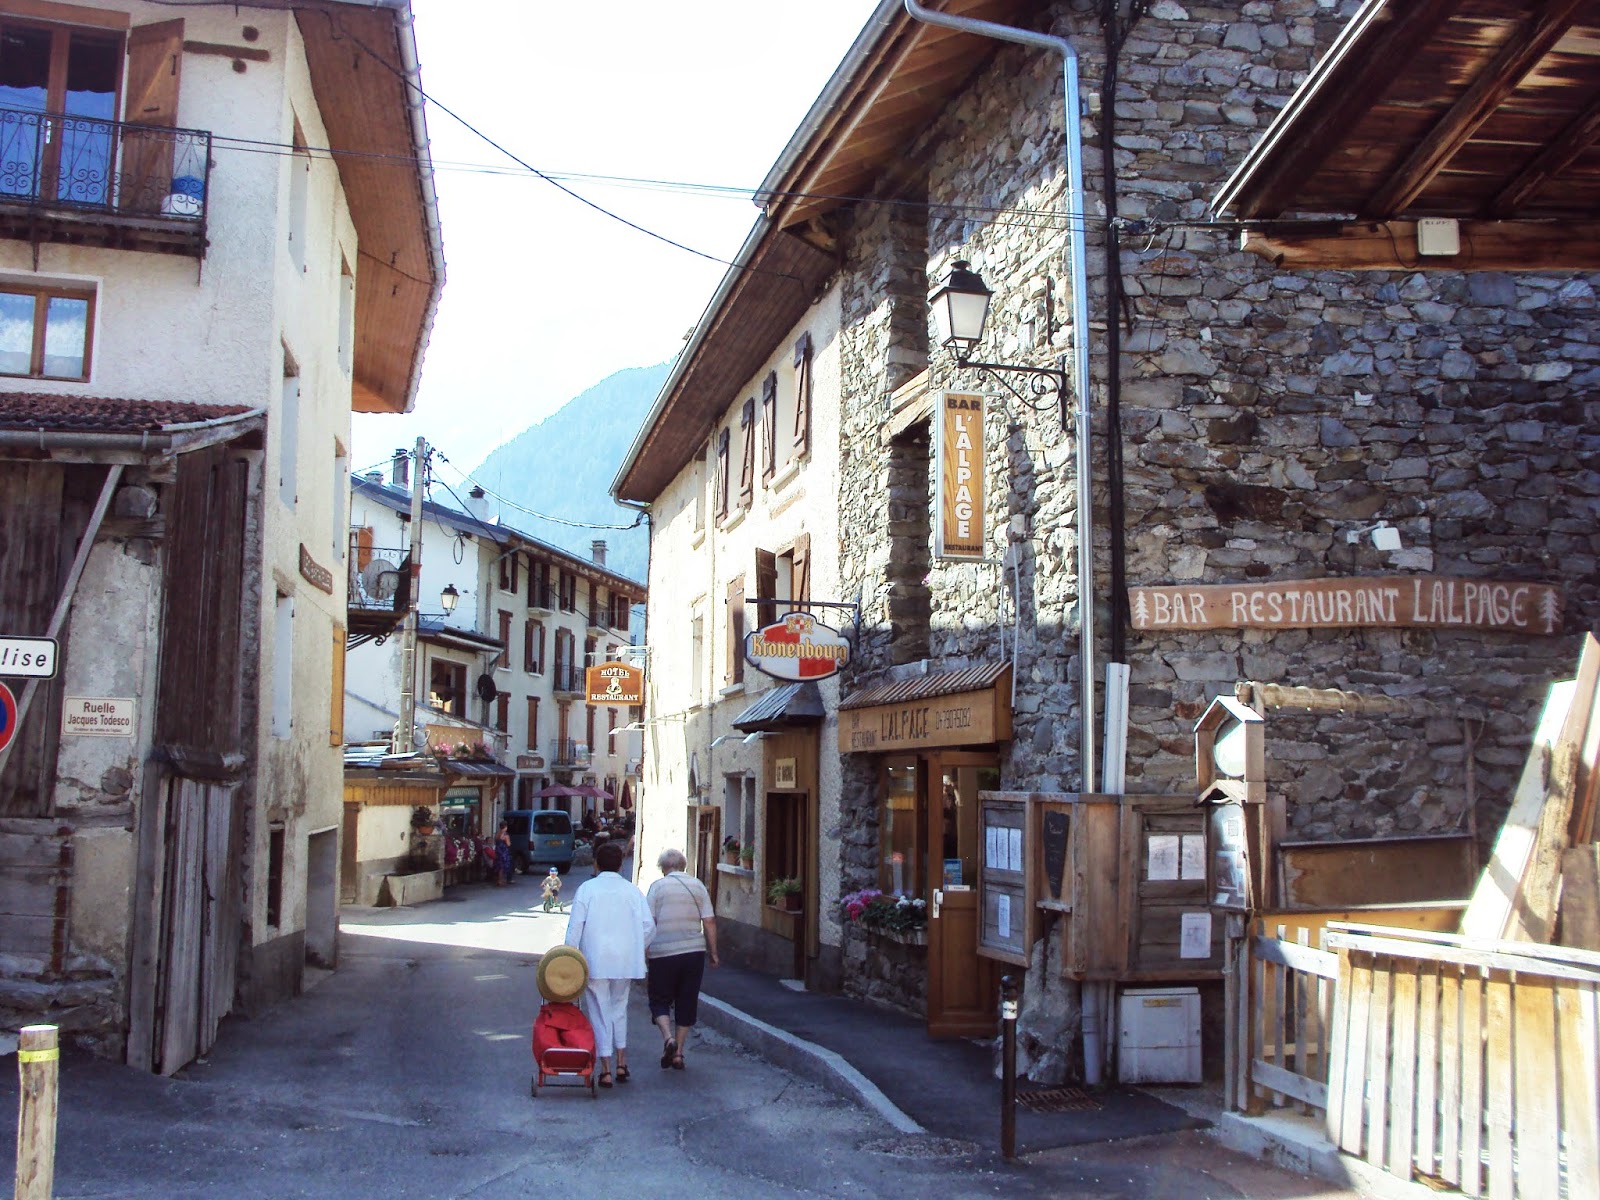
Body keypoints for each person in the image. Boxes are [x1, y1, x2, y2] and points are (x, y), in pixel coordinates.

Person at [564, 840, 653, 1088]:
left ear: (596, 863)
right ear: (621, 864)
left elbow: (575, 928)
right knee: (618, 1008)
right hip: (625, 961)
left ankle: (605, 1068)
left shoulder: (587, 889)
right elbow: (649, 927)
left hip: (595, 960)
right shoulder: (633, 891)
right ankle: (622, 1062)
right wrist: (635, 946)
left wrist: (569, 957)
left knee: (599, 1011)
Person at [644, 848, 718, 1072]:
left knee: (659, 999)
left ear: (663, 868)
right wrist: (714, 953)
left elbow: (649, 922)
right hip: (693, 953)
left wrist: (644, 949)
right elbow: (710, 921)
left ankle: (668, 1038)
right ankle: (678, 1054)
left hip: (662, 953)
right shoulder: (697, 886)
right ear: (683, 866)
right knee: (687, 1000)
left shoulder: (657, 887)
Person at [494, 821, 513, 886]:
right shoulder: (505, 835)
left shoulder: (497, 834)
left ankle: (499, 880)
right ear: (505, 827)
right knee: (504, 866)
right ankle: (501, 880)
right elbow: (508, 844)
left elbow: (496, 841)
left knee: (499, 866)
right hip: (504, 851)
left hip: (498, 851)